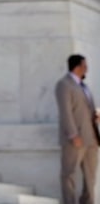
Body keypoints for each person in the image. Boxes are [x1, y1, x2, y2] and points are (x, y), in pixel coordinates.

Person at [56, 53, 99, 204]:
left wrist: (96, 116)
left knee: (90, 176)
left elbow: (85, 110)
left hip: (91, 139)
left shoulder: (84, 87)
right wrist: (73, 134)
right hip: (75, 139)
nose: (86, 69)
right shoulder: (64, 85)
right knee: (69, 173)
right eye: (85, 66)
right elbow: (65, 111)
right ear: (77, 67)